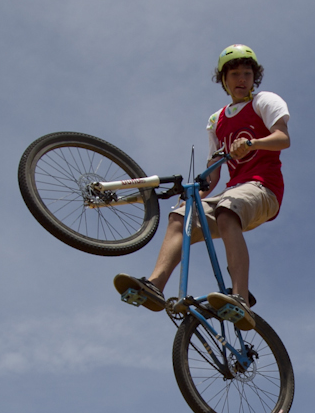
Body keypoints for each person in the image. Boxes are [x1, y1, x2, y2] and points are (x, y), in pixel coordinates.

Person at [113, 44, 290, 333]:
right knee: (179, 217)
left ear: (254, 78)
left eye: (247, 73)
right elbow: (213, 173)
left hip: (263, 189)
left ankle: (241, 297)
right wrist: (194, 194)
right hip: (232, 191)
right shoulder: (216, 120)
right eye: (235, 74)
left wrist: (252, 144)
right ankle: (155, 286)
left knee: (226, 209)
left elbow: (283, 137)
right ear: (224, 79)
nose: (242, 79)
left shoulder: (264, 101)